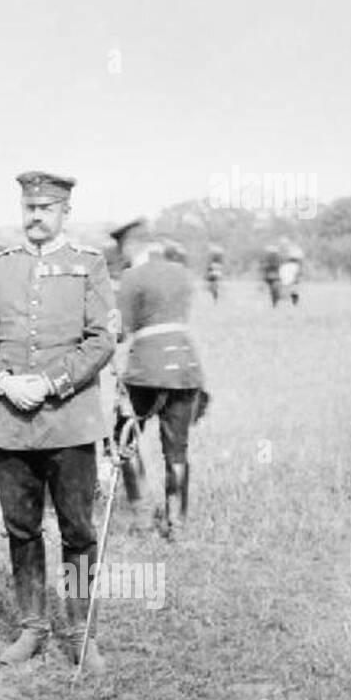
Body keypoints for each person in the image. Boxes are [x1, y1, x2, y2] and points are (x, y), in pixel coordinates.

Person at [0, 171, 115, 674]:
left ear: (64, 213)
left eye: (46, 209)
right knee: (21, 527)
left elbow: (100, 340)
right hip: (11, 420)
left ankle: (80, 630)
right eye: (29, 208)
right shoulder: (0, 268)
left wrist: (49, 385)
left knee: (76, 530)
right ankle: (32, 627)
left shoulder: (88, 265)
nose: (35, 217)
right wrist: (3, 382)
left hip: (68, 420)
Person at [113, 219, 208, 540]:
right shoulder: (181, 273)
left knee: (123, 439)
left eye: (121, 249)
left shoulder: (130, 278)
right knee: (177, 450)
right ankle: (176, 525)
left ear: (130, 246)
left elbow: (119, 330)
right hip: (185, 366)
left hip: (146, 369)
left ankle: (141, 519)